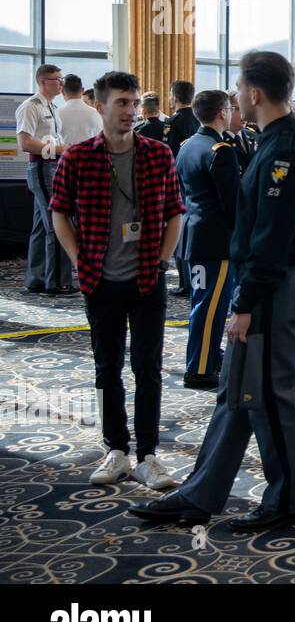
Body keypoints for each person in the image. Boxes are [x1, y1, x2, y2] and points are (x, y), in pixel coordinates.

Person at [130, 50, 295, 532]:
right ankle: (200, 494)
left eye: (239, 88)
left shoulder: (283, 149)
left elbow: (272, 239)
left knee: (271, 395)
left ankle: (288, 499)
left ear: (254, 93)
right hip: (270, 282)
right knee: (236, 393)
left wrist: (243, 304)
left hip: (273, 287)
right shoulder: (277, 139)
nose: (236, 97)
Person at [50, 70, 185, 490]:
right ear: (100, 106)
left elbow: (176, 212)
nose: (130, 111)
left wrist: (162, 261)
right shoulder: (78, 157)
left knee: (148, 369)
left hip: (147, 278)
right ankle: (116, 449)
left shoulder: (158, 154)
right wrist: (78, 259)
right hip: (100, 281)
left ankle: (147, 455)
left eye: (133, 103)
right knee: (107, 367)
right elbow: (58, 210)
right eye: (121, 103)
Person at [174, 89, 240, 390]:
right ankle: (200, 369)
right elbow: (232, 203)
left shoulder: (189, 146)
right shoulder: (219, 150)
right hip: (216, 239)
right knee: (211, 305)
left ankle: (206, 356)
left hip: (193, 234)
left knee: (202, 303)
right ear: (222, 112)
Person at [17, 63, 74, 294]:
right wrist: (61, 149)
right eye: (57, 79)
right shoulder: (31, 106)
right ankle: (58, 281)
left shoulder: (51, 106)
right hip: (42, 166)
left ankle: (37, 278)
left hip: (52, 165)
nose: (61, 83)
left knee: (41, 226)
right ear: (43, 82)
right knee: (56, 223)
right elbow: (26, 143)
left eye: (62, 79)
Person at [165, 80, 200, 297]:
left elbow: (169, 154)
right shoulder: (199, 119)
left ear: (175, 97)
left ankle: (185, 281)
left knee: (179, 227)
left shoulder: (173, 122)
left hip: (178, 180)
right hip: (196, 180)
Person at [59, 74, 103, 146]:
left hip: (66, 155)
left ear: (63, 92)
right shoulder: (97, 113)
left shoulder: (57, 114)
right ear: (82, 90)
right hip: (92, 155)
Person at [226, 89, 259, 172]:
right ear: (226, 111)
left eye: (245, 108)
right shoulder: (218, 139)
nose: (244, 113)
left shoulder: (253, 135)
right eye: (238, 109)